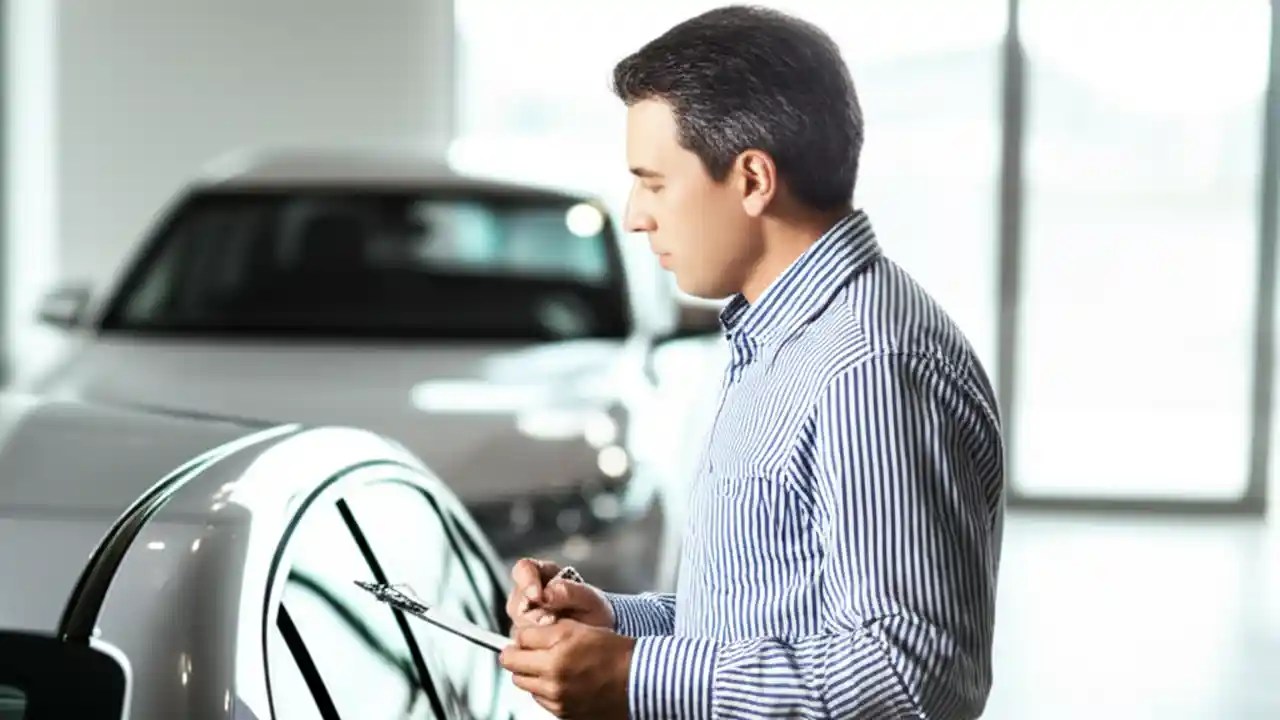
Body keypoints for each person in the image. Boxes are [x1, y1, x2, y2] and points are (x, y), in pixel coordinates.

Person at [497, 5, 1005, 719]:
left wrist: (640, 678)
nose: (636, 214)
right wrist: (616, 628)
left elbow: (908, 674)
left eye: (654, 181)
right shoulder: (779, 339)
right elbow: (770, 616)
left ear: (754, 180)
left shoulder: (867, 366)